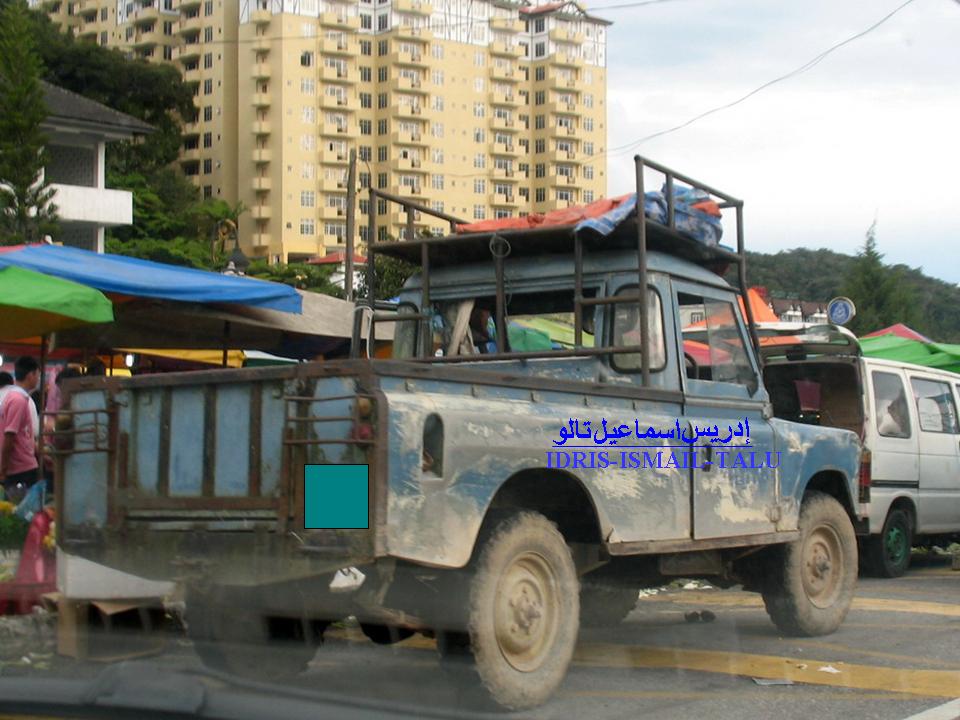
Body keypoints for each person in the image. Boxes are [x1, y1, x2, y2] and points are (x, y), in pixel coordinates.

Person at [0, 357, 41, 503]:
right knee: (22, 514)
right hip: (21, 468)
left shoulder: (16, 398)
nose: (38, 379)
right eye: (37, 374)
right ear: (30, 375)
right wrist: (3, 468)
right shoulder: (17, 399)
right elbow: (9, 435)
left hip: (18, 467)